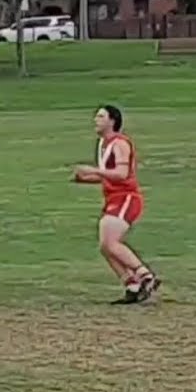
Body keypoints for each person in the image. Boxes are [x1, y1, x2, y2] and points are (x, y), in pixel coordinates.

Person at [73, 105, 161, 304]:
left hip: (126, 198)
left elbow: (122, 175)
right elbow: (110, 177)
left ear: (112, 121)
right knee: (105, 246)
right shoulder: (103, 144)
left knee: (111, 243)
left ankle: (146, 276)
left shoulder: (120, 143)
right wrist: (86, 179)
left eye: (101, 116)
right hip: (114, 197)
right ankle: (132, 285)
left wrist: (93, 170)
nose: (96, 120)